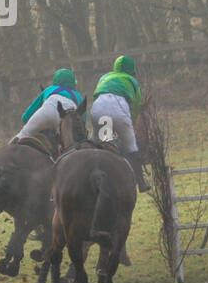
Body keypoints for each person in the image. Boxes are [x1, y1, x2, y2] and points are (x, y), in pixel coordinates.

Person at [92, 55, 150, 192]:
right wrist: (132, 124)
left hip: (98, 109)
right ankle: (141, 182)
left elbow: (96, 95)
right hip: (118, 110)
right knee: (131, 146)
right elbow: (135, 107)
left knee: (97, 143)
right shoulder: (132, 81)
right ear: (131, 71)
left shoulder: (104, 77)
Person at [14, 68, 82, 148]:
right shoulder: (77, 96)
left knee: (23, 134)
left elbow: (25, 118)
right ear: (73, 84)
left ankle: (7, 151)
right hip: (66, 119)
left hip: (47, 111)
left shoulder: (48, 90)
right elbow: (81, 123)